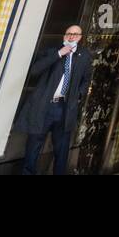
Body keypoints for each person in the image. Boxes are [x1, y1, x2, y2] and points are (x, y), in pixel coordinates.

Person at [20, 23, 92, 175]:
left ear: (80, 38)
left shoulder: (84, 56)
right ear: (64, 35)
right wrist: (59, 54)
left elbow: (86, 80)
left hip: (64, 108)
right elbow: (34, 70)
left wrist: (78, 95)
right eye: (69, 33)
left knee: (62, 149)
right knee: (34, 145)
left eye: (75, 34)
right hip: (44, 106)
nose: (71, 36)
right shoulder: (52, 50)